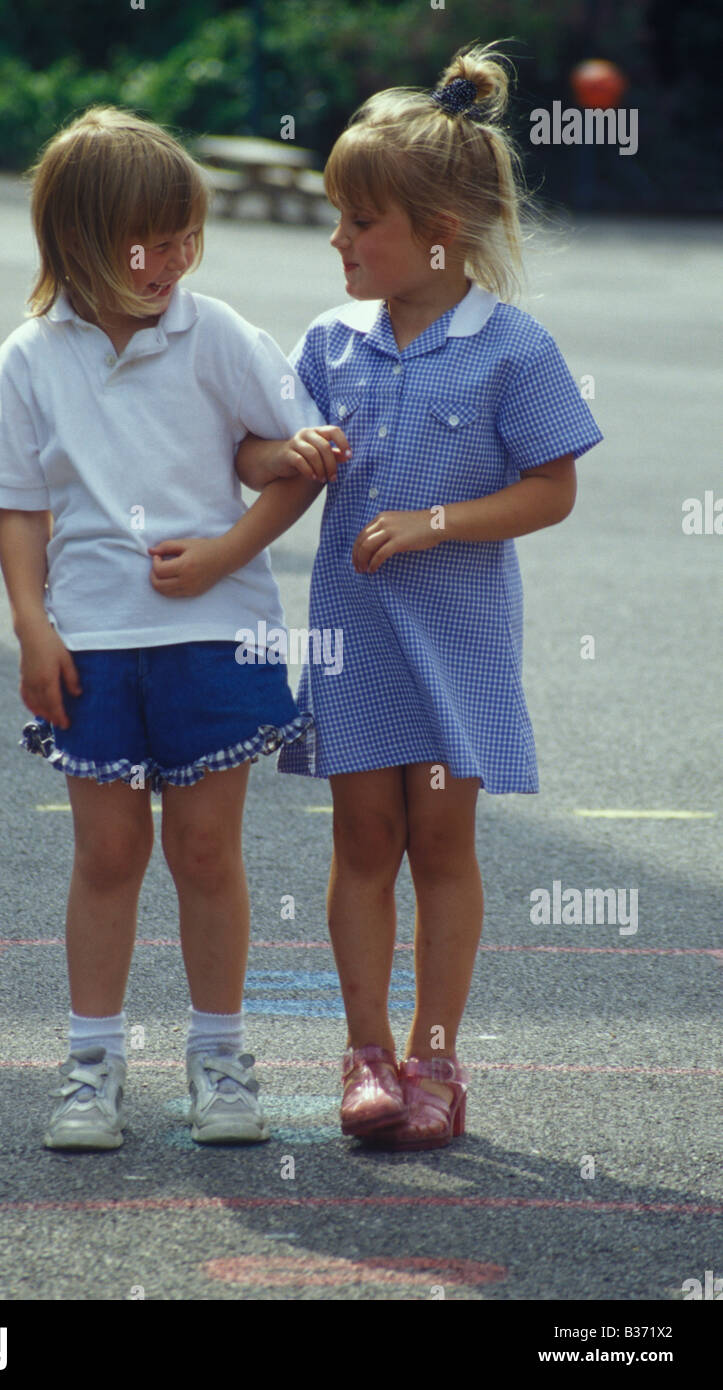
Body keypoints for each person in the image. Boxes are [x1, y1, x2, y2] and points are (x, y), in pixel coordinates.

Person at [234, 43, 604, 1149]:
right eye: (339, 218)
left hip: (461, 639)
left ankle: (437, 1059)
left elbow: (553, 489)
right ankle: (366, 1059)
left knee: (443, 842)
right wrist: (268, 462)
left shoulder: (511, 348)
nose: (338, 242)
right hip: (355, 639)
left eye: (359, 222)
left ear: (437, 232)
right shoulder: (327, 342)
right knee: (361, 838)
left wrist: (436, 523)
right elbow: (276, 466)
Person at [0, 106, 350, 1150]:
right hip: (90, 639)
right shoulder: (30, 356)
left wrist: (241, 534)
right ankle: (92, 1066)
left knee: (204, 850)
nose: (173, 258)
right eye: (151, 240)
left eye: (187, 236)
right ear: (79, 239)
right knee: (105, 852)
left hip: (216, 635)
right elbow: (17, 505)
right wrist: (31, 626)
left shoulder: (217, 331)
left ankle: (220, 1059)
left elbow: (283, 457)